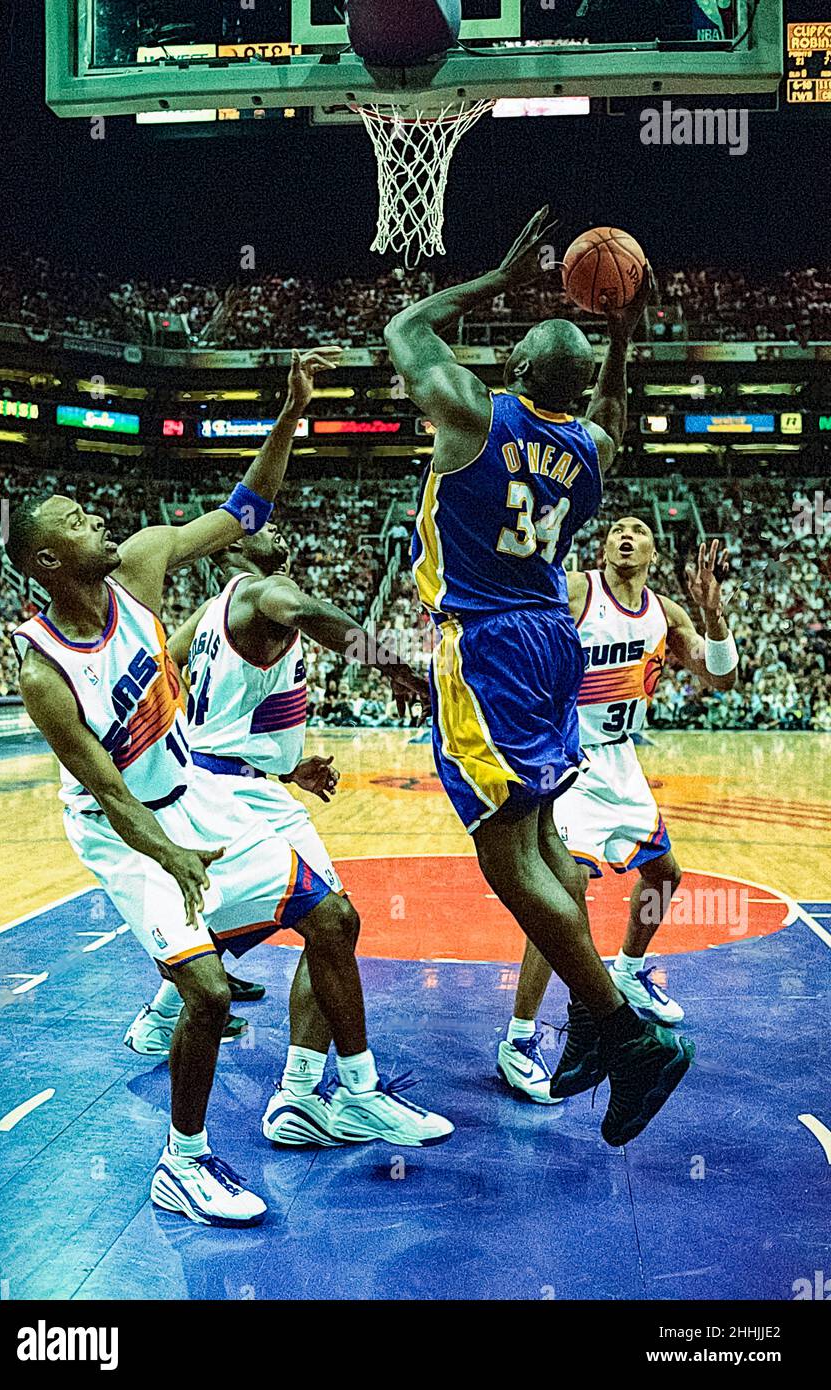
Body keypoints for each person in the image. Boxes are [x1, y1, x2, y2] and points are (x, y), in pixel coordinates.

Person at [8, 350, 451, 1231]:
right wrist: (176, 860)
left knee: (334, 917)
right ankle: (182, 1161)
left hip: (193, 794)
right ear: (52, 560)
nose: (98, 519)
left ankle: (354, 1091)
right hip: (122, 829)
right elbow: (107, 788)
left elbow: (247, 507)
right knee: (207, 991)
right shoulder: (43, 672)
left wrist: (289, 415)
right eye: (76, 519)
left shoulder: (140, 566)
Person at [386, 208, 694, 1146]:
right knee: (548, 839)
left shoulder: (476, 417)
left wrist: (493, 277)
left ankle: (620, 1029)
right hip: (553, 638)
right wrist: (625, 336)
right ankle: (601, 1030)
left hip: (484, 643)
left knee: (503, 855)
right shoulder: (591, 456)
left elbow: (405, 330)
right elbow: (610, 417)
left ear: (516, 370)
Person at [126, 518, 432, 1148]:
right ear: (233, 548)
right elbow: (309, 610)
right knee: (329, 920)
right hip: (229, 795)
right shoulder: (265, 593)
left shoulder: (210, 616)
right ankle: (334, 1091)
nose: (280, 536)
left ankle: (297, 1093)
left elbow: (172, 676)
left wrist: (284, 765)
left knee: (329, 924)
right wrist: (395, 665)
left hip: (246, 783)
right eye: (264, 531)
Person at [497, 528, 738, 1100]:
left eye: (639, 532)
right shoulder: (579, 592)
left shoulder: (667, 611)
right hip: (570, 762)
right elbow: (520, 620)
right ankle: (520, 1037)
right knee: (564, 894)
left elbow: (720, 676)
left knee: (664, 875)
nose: (626, 536)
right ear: (603, 549)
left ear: (655, 554)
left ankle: (629, 969)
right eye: (616, 531)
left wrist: (712, 615)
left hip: (623, 763)